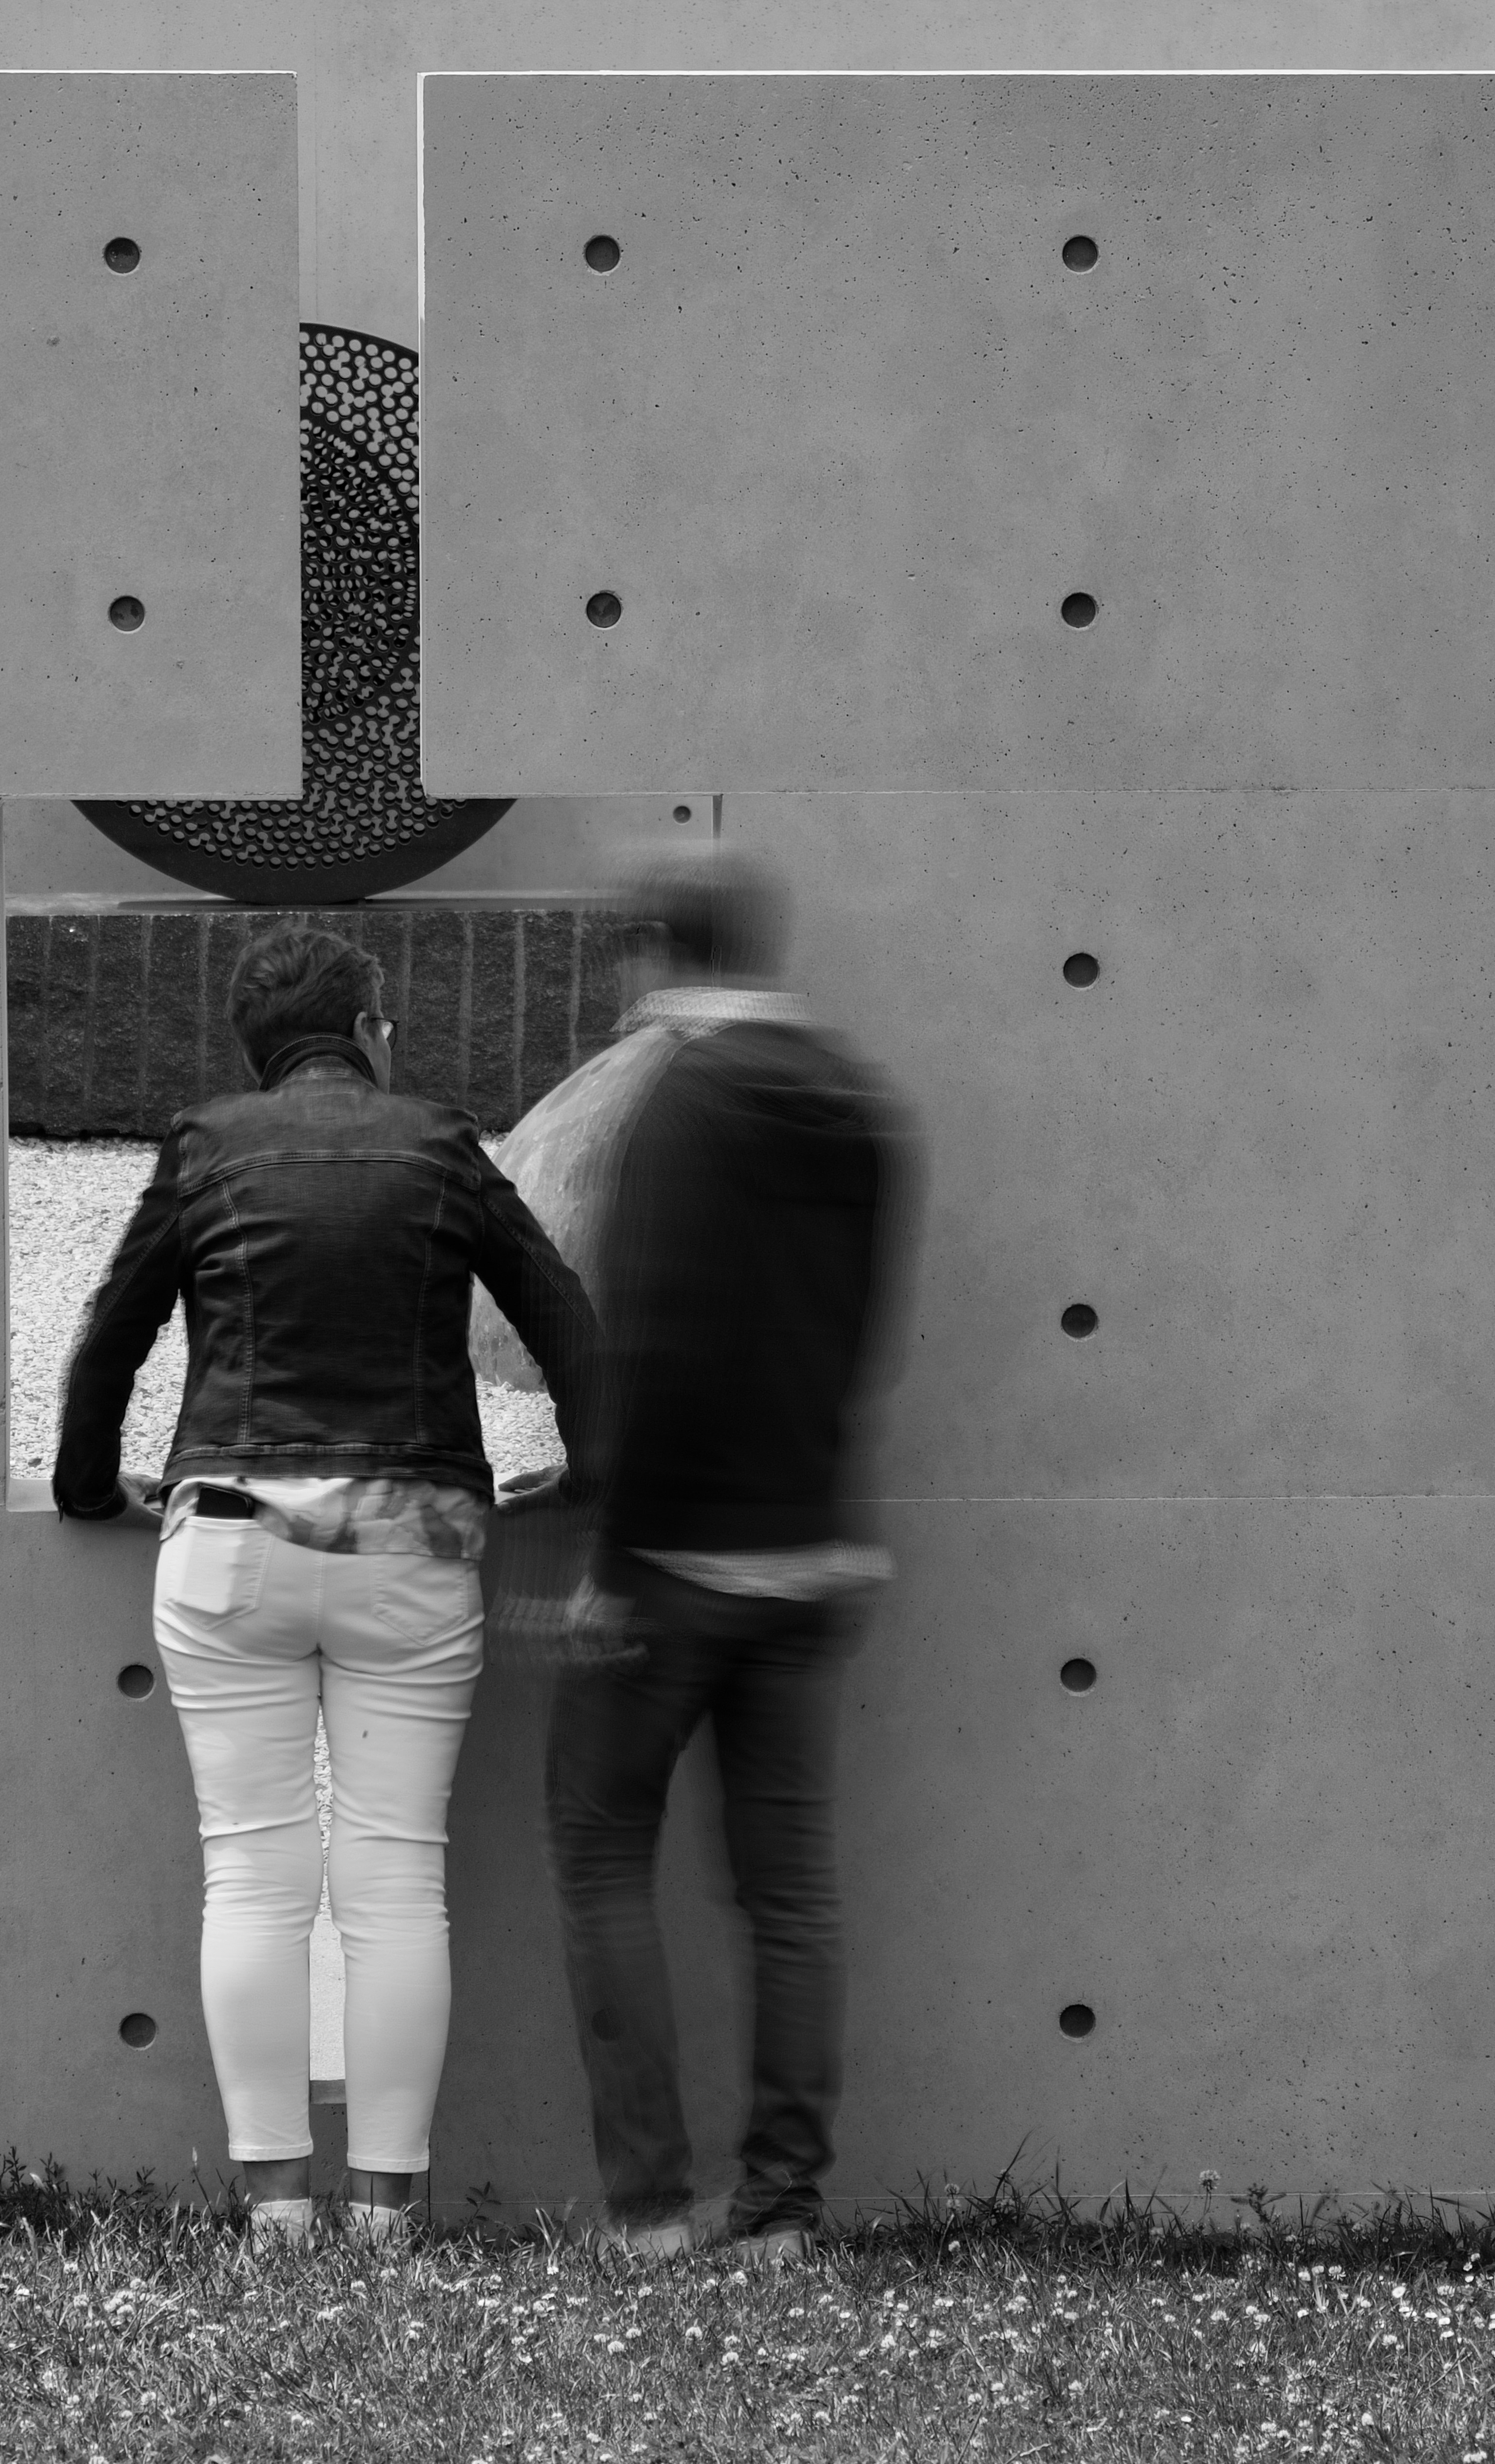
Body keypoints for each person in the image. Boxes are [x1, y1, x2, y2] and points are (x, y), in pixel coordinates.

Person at [55, 925, 601, 2250]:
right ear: (369, 1027)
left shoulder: (200, 1149)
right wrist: (584, 1477)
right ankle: (387, 2219)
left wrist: (87, 1491)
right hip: (411, 1546)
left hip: (231, 1545)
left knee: (251, 1877)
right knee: (394, 1880)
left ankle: (276, 2216)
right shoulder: (438, 1147)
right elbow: (568, 1327)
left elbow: (108, 1344)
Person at [548, 848, 915, 2259]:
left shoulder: (682, 1105)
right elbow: (856, 1332)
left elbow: (653, 1336)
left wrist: (612, 1549)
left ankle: (648, 2207)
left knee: (596, 1856)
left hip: (678, 1567)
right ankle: (778, 2212)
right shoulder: (854, 1098)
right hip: (812, 1553)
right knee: (791, 1894)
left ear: (650, 954)